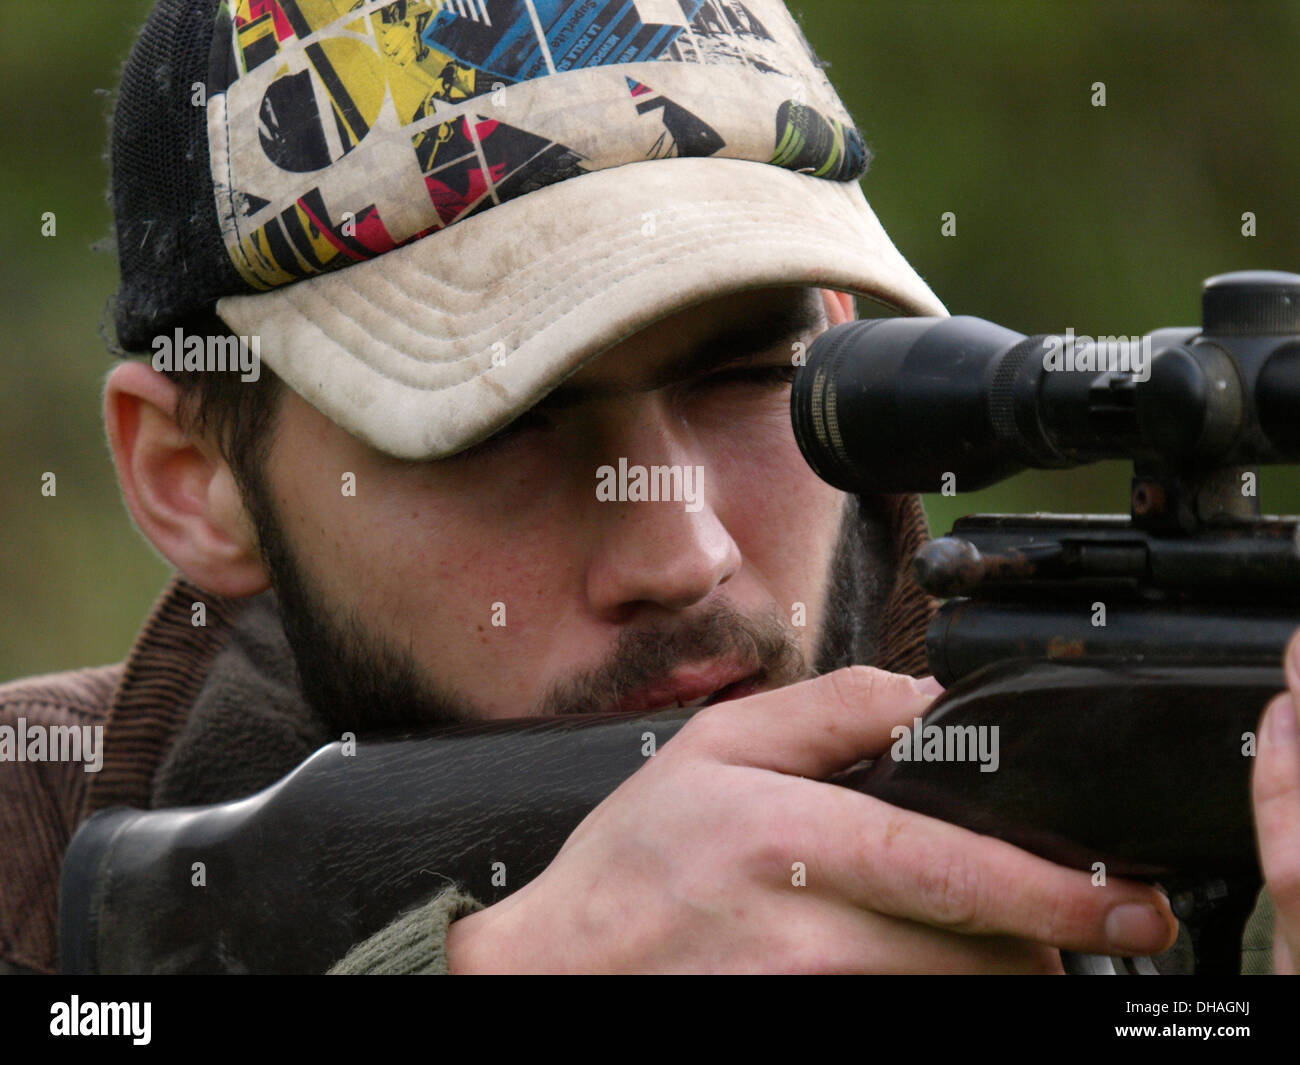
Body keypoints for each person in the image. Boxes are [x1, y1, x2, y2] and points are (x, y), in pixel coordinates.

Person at [2, 0, 1295, 975]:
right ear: (193, 479)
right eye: (502, 422)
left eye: (747, 376)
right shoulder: (28, 826)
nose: (682, 552)